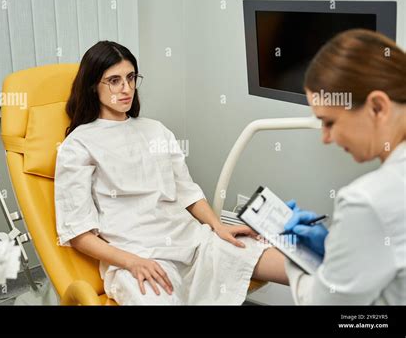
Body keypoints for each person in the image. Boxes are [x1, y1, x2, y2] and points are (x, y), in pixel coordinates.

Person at [54, 41, 287, 305]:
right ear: (93, 85)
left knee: (293, 264)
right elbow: (78, 234)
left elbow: (187, 192)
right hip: (140, 257)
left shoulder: (156, 130)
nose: (127, 88)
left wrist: (218, 226)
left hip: (194, 243)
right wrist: (132, 262)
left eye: (131, 78)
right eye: (114, 81)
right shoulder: (78, 145)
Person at [283, 29, 406, 304]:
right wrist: (335, 248)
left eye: (329, 122)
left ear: (377, 107)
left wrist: (292, 253)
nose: (326, 138)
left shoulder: (367, 200)